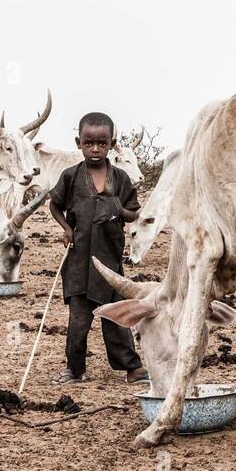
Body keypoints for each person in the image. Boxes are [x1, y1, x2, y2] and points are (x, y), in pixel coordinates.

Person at [48, 112, 148, 384]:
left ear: (111, 144)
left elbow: (133, 213)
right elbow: (54, 205)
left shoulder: (121, 179)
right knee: (78, 321)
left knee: (116, 317)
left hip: (110, 262)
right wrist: (67, 230)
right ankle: (74, 369)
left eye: (102, 143)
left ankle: (132, 367)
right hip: (79, 261)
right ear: (78, 142)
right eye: (89, 143)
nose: (95, 149)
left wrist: (118, 208)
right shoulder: (70, 176)